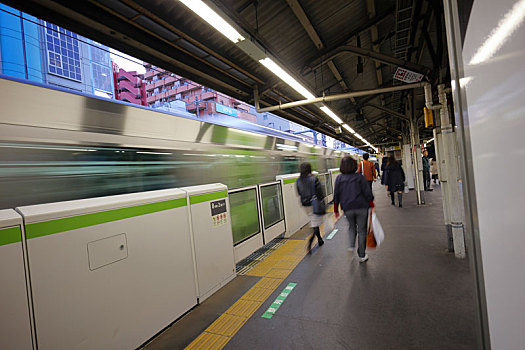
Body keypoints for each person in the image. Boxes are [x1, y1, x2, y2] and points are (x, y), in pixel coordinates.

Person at [333, 156, 374, 263]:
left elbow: (336, 195)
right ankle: (361, 255)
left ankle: (351, 247)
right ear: (354, 165)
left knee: (351, 228)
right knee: (362, 231)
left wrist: (336, 210)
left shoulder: (339, 178)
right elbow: (367, 192)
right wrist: (371, 203)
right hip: (361, 207)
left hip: (347, 208)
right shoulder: (359, 177)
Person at [296, 162, 325, 251]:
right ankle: (311, 242)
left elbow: (299, 193)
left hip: (305, 205)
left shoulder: (298, 180)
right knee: (315, 223)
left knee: (314, 221)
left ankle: (320, 239)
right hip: (314, 203)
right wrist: (321, 201)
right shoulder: (314, 179)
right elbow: (320, 192)